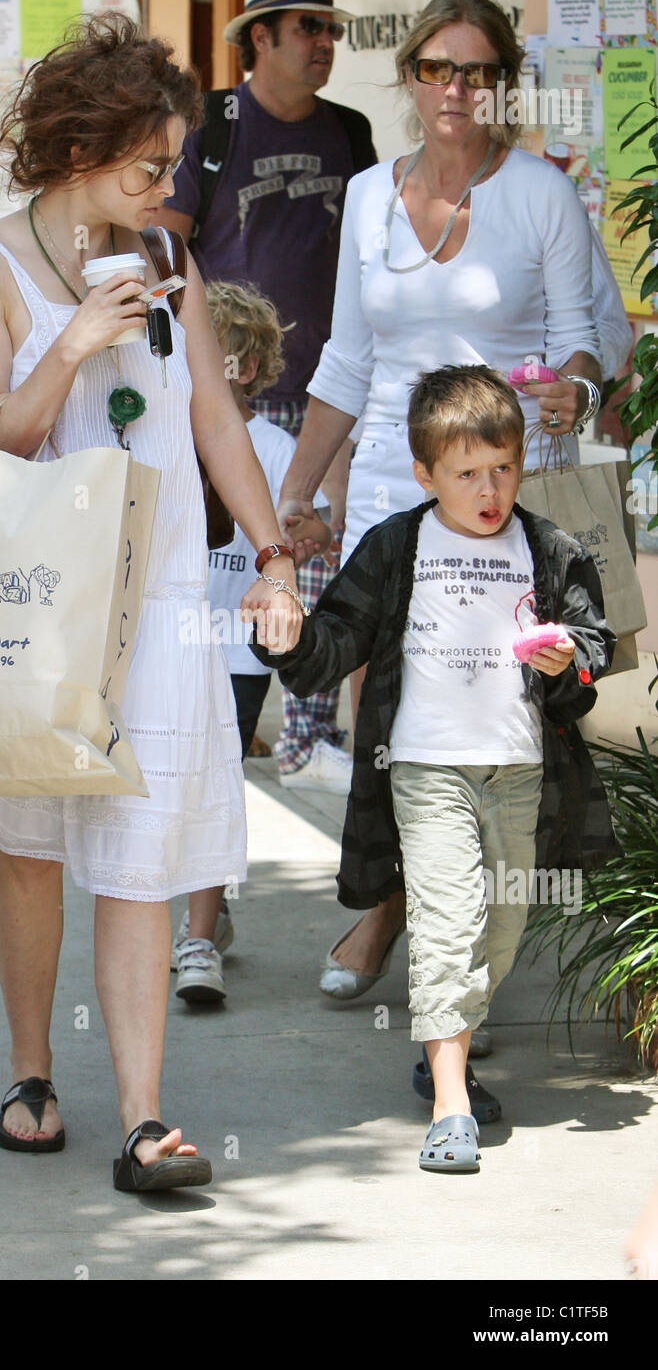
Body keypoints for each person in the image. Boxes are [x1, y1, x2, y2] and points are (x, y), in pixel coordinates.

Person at [0, 15, 305, 1192]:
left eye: (173, 168)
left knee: (139, 856)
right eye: (149, 165)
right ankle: (30, 1073)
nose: (169, 189)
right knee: (31, 852)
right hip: (35, 608)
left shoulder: (171, 266)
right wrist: (68, 346)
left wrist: (271, 554)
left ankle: (146, 1119)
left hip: (156, 602)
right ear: (79, 151)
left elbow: (213, 418)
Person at [273, 0, 604, 1006]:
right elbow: (345, 357)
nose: (455, 89)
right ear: (412, 77)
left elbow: (579, 335)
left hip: (495, 489)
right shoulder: (370, 194)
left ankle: (456, 940)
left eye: (476, 71)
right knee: (388, 718)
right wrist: (288, 499)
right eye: (436, 69)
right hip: (387, 481)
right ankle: (391, 906)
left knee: (492, 704)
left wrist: (573, 390)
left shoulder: (540, 194)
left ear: (503, 84)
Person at [249, 364, 616, 1171]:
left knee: (503, 923)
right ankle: (451, 1102)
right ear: (424, 473)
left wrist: (566, 664)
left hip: (520, 771)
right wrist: (284, 635)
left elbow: (593, 649)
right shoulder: (398, 547)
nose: (490, 490)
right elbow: (334, 640)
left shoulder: (547, 548)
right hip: (424, 770)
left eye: (505, 469)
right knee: (448, 920)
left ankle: (446, 1040)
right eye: (467, 474)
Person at [160, 0, 376, 799]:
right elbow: (166, 246)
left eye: (329, 29)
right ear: (259, 39)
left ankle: (306, 734)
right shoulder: (215, 126)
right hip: (231, 385)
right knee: (224, 555)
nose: (323, 42)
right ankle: (209, 713)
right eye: (306, 28)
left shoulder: (349, 133)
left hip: (326, 384)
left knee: (320, 552)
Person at [172, 280, 331, 1003]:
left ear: (236, 366)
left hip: (235, 652)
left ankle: (197, 935)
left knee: (212, 779)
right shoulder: (165, 439)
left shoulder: (268, 447)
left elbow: (310, 521)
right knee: (172, 784)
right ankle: (209, 906)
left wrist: (307, 530)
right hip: (167, 643)